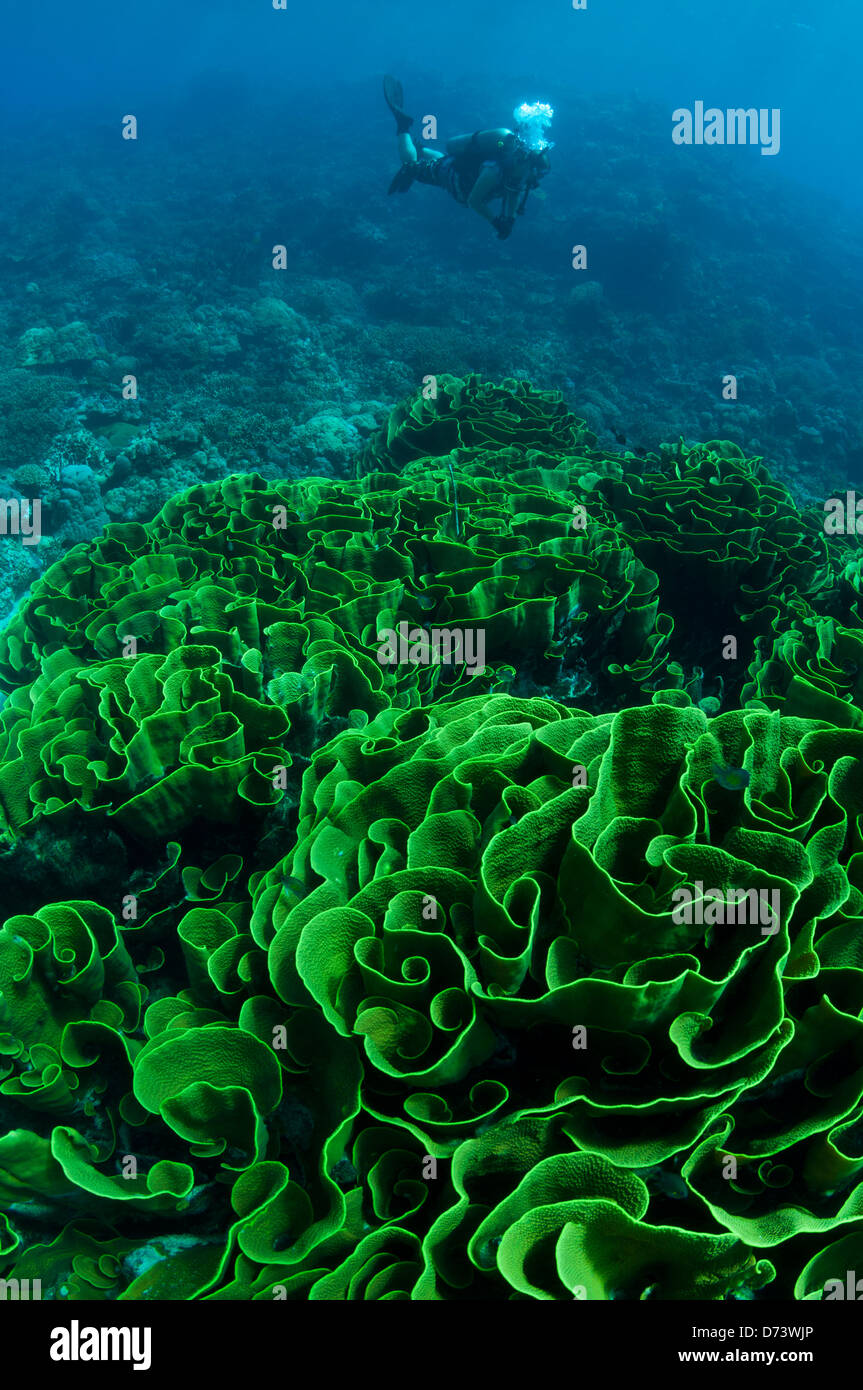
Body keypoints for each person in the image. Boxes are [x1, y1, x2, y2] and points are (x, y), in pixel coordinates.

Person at [383, 77, 553, 241]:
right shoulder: (494, 171)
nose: (535, 181)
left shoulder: (515, 175)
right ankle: (403, 125)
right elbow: (474, 200)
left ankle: (420, 149)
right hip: (450, 176)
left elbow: (513, 195)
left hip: (454, 173)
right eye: (537, 175)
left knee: (442, 161)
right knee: (410, 165)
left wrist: (509, 220)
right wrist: (496, 222)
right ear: (529, 165)